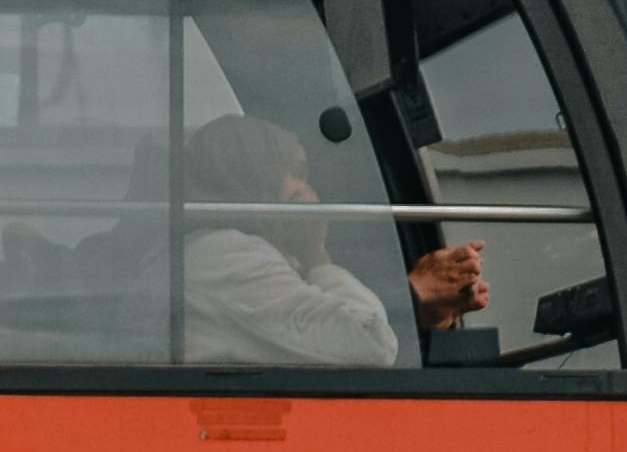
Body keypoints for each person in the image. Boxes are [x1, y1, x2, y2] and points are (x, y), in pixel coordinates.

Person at [178, 112, 488, 370]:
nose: (311, 193)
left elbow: (321, 346)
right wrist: (315, 252)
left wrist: (422, 315)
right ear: (255, 174)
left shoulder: (220, 255)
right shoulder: (225, 256)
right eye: (298, 174)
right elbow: (370, 343)